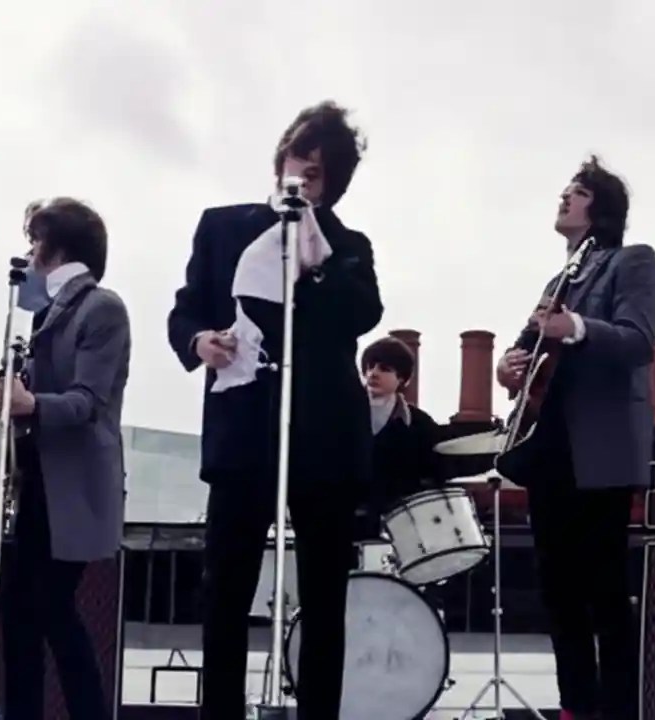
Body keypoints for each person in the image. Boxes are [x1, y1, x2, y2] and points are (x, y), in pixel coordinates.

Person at [166, 100, 381, 720]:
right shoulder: (221, 226)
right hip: (242, 432)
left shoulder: (347, 245)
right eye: (297, 160)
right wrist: (199, 341)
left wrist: (312, 261)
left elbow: (363, 314)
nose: (301, 177)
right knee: (225, 592)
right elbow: (186, 310)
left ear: (333, 184)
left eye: (316, 173)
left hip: (324, 439)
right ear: (280, 157)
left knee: (323, 597)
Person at [494, 156, 655, 720]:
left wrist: (579, 327)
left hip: (600, 451)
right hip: (548, 450)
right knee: (558, 592)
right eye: (564, 189)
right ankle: (575, 708)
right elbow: (526, 351)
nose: (563, 197)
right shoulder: (558, 280)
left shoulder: (631, 261)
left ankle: (617, 710)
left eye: (577, 191)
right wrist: (509, 367)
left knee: (605, 593)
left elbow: (638, 341)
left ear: (601, 206)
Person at [0, 197, 131, 720]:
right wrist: (15, 396)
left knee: (49, 606)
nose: (28, 254)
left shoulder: (101, 307)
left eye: (35, 241)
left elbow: (89, 402)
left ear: (57, 247)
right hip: (40, 480)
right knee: (23, 611)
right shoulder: (49, 314)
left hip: (74, 488)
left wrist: (29, 402)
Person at [356, 334, 445, 541]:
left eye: (384, 369)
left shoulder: (419, 424)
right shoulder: (342, 414)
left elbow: (435, 473)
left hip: (401, 524)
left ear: (402, 379)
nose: (373, 373)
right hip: (344, 519)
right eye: (370, 367)